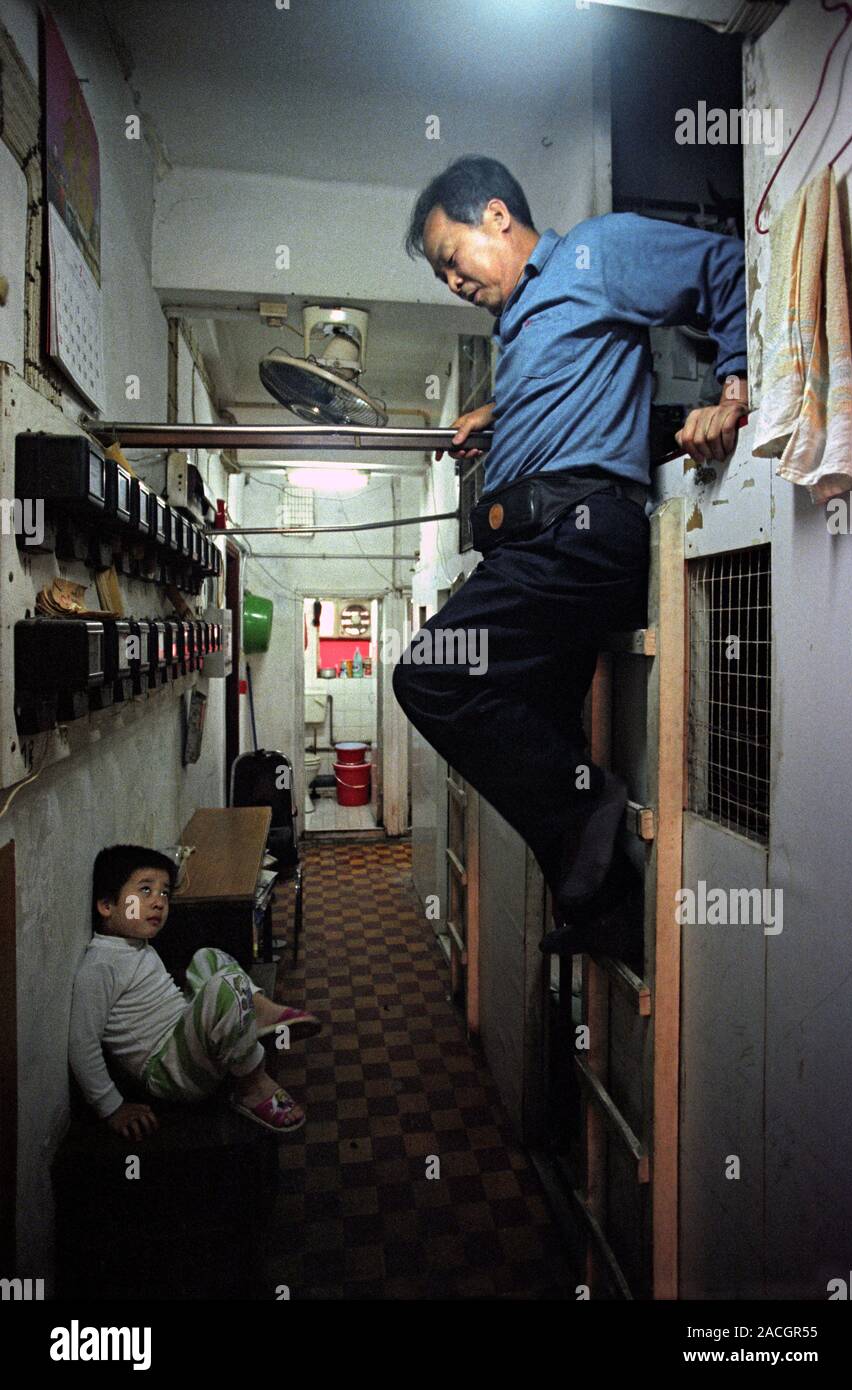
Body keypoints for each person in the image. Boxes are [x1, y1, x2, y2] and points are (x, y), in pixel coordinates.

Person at [394, 155, 748, 957]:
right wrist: (500, 409)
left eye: (452, 257)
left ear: (495, 216)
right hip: (541, 547)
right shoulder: (520, 324)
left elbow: (721, 267)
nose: (452, 281)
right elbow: (582, 384)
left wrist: (732, 390)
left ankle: (592, 817)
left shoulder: (596, 251)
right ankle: (609, 911)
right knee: (537, 729)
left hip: (579, 540)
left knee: (431, 676)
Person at [69, 844, 321, 1137]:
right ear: (106, 905)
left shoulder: (130, 945)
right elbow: (81, 1044)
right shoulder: (101, 966)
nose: (159, 902)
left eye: (164, 892)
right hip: (169, 1071)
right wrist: (112, 1107)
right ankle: (251, 1086)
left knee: (208, 957)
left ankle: (265, 1013)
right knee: (223, 987)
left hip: (182, 1044)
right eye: (146, 891)